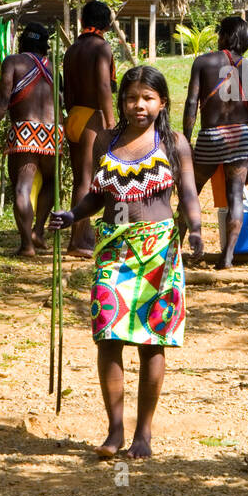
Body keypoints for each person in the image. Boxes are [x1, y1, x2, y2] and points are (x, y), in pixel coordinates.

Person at [51, 65, 203, 459]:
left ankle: (144, 434)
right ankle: (115, 430)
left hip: (158, 251)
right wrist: (73, 216)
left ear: (162, 103)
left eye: (148, 98)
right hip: (113, 250)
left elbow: (188, 194)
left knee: (152, 343)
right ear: (121, 101)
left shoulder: (173, 142)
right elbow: (95, 196)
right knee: (109, 337)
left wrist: (198, 231)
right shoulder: (105, 139)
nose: (139, 105)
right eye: (132, 98)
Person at [183, 15, 248, 269]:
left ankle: (171, 250)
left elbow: (191, 105)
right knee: (236, 197)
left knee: (190, 192)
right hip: (240, 138)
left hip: (211, 136)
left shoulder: (203, 62)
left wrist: (185, 142)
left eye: (220, 32)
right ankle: (227, 257)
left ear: (226, 36)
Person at [0, 21, 57, 257]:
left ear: (22, 42)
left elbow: (2, 100)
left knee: (22, 187)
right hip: (53, 132)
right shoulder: (53, 67)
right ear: (45, 46)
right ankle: (38, 231)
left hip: (24, 131)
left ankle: (27, 246)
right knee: (51, 182)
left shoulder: (13, 61)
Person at [60, 0, 117, 258]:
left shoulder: (71, 50)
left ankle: (81, 237)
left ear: (83, 22)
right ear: (107, 24)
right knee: (87, 180)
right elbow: (105, 87)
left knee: (80, 179)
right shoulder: (102, 48)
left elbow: (67, 91)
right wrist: (110, 120)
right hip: (92, 117)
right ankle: (77, 241)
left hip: (73, 116)